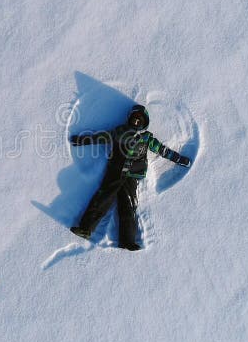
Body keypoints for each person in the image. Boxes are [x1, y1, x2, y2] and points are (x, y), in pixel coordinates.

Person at [68, 104, 192, 251]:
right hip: (115, 171)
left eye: (140, 120)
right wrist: (83, 140)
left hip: (132, 175)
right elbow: (101, 137)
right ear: (129, 119)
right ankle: (86, 228)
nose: (137, 122)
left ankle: (127, 241)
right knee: (102, 198)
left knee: (128, 206)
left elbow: (163, 150)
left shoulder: (147, 138)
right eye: (134, 119)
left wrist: (179, 159)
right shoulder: (119, 132)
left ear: (145, 122)